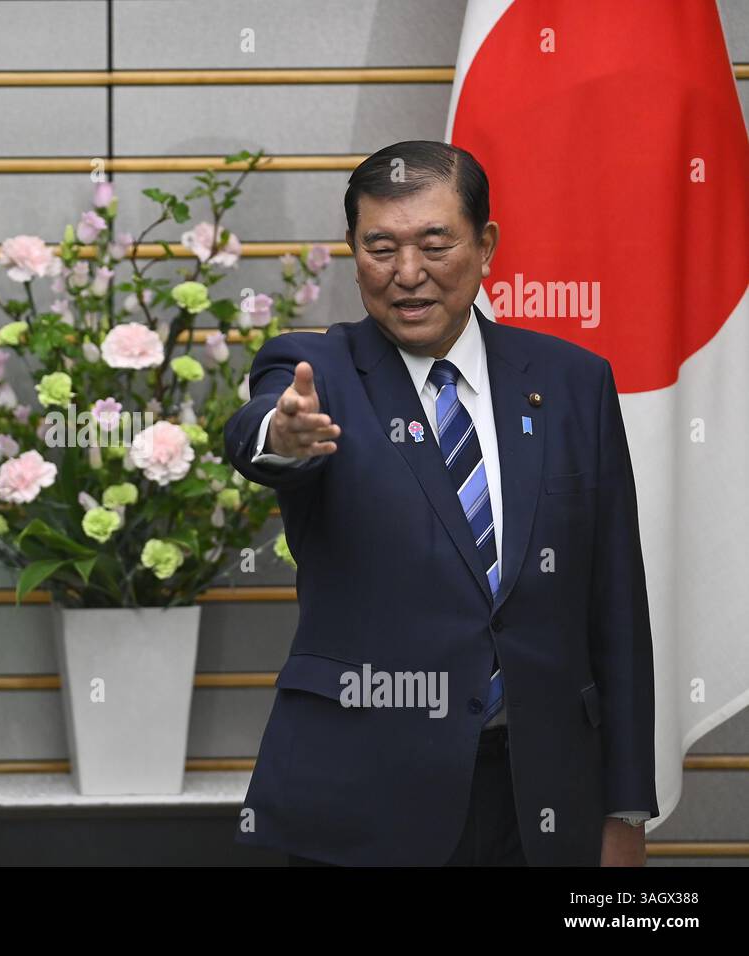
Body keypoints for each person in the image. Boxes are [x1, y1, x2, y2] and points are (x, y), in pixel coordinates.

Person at [226, 141, 657, 866]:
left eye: (434, 244)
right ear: (353, 251)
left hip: (543, 802)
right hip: (363, 805)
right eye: (380, 248)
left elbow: (617, 606)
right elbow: (258, 431)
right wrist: (285, 434)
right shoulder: (319, 372)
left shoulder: (572, 382)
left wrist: (625, 806)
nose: (407, 274)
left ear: (485, 245)